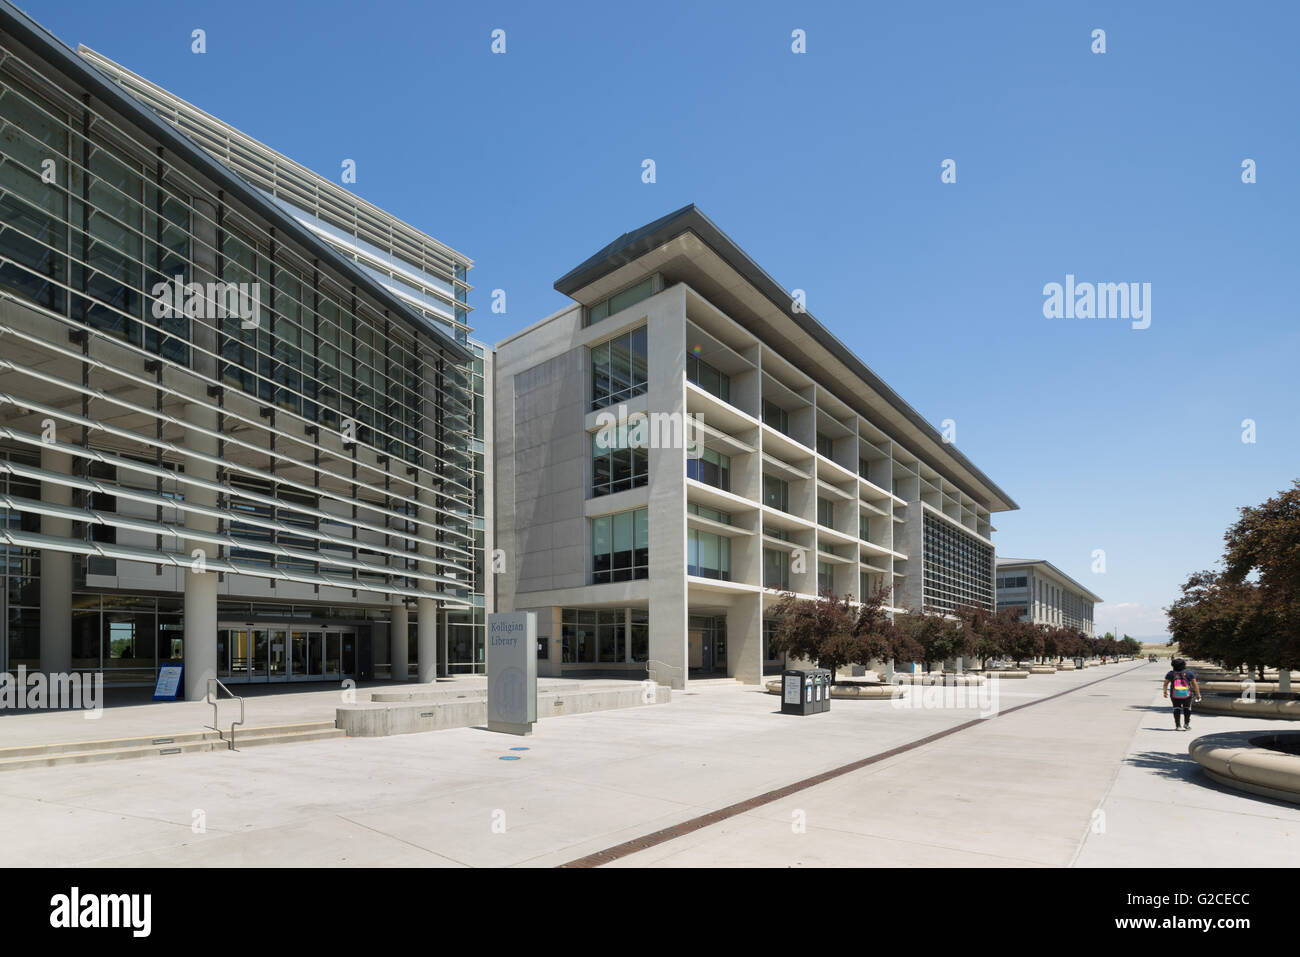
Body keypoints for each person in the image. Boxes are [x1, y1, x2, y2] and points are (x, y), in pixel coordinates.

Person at [1162, 657, 1201, 731]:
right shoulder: (1189, 673)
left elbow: (1165, 684)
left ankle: (1178, 725)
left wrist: (1165, 692)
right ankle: (1186, 724)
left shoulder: (1171, 673)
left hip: (1174, 695)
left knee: (1176, 709)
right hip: (1187, 694)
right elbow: (1195, 684)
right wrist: (1198, 694)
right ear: (1184, 665)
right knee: (1187, 708)